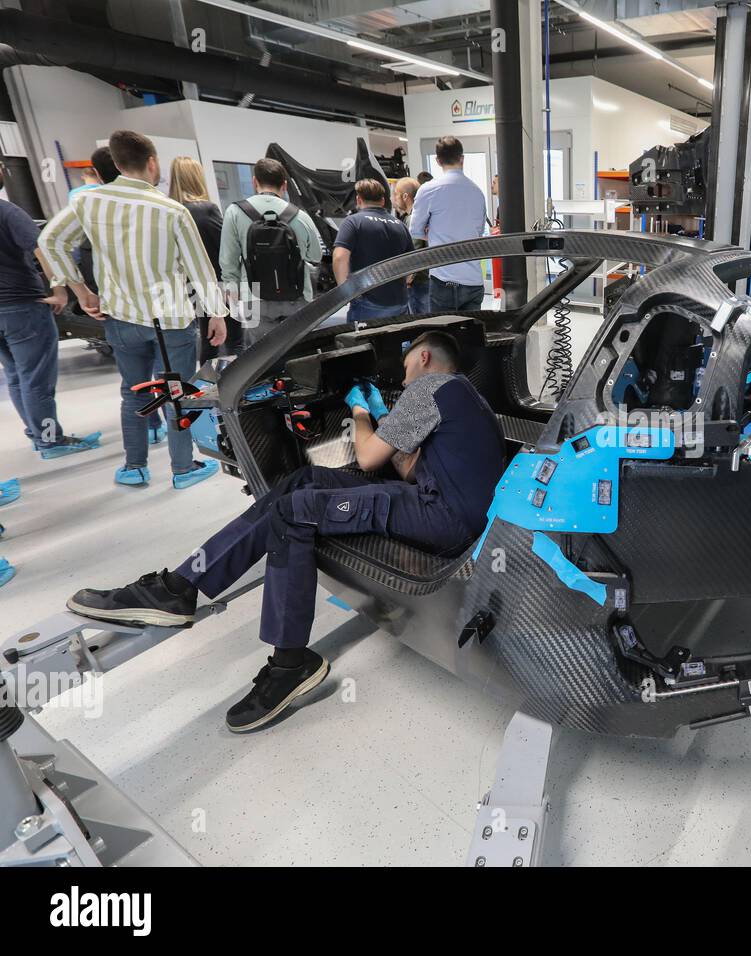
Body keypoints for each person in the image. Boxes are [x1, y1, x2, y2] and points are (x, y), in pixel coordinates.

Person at [68, 332, 506, 732]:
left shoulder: (429, 387)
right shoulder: (465, 395)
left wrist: (360, 410)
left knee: (295, 513)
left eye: (407, 365)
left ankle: (290, 662)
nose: (404, 374)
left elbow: (371, 459)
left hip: (442, 518)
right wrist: (382, 418)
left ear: (424, 356)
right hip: (443, 506)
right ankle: (181, 584)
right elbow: (408, 470)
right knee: (299, 482)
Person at [38, 130, 227, 489]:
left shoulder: (89, 202)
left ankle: (134, 466)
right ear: (152, 163)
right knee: (176, 391)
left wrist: (81, 291)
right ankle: (182, 469)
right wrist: (215, 313)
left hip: (120, 317)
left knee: (132, 391)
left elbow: (50, 241)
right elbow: (199, 268)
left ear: (117, 163)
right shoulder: (172, 210)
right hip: (171, 319)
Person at [0, 166, 98, 459]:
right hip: (21, 307)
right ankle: (50, 440)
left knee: (17, 375)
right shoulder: (8, 212)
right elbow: (43, 247)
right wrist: (59, 289)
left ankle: (37, 432)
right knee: (36, 379)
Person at [219, 157, 323, 347]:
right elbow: (315, 256)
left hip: (254, 297)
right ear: (284, 185)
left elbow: (228, 260)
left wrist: (233, 295)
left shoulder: (234, 212)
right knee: (297, 353)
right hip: (297, 295)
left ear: (254, 182)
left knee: (260, 359)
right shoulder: (300, 215)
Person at [168, 156, 239, 362]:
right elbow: (225, 249)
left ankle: (205, 386)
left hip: (189, 288)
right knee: (234, 342)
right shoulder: (206, 209)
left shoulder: (172, 212)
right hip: (217, 286)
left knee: (208, 341)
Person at [409, 137, 487, 311]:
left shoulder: (428, 189)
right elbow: (479, 231)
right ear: (462, 158)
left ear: (437, 161)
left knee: (443, 336)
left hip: (444, 280)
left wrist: (434, 233)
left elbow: (415, 230)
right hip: (474, 280)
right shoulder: (477, 192)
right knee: (471, 335)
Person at [332, 178, 413, 323]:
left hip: (368, 301)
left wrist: (345, 293)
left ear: (358, 199)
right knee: (395, 343)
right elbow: (413, 263)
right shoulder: (400, 225)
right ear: (382, 201)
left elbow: (339, 257)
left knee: (365, 344)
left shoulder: (353, 222)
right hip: (399, 301)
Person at [392, 176, 429, 315]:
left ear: (405, 196)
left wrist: (408, 279)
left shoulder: (413, 218)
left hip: (420, 281)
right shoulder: (421, 214)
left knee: (421, 321)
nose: (394, 198)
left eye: (396, 194)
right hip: (426, 278)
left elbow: (415, 251)